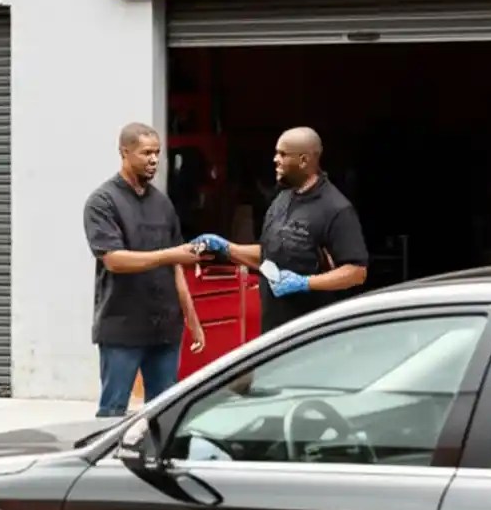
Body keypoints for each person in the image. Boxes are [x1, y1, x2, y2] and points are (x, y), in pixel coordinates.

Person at [83, 122, 208, 418]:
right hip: (122, 327)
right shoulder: (102, 202)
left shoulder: (162, 203)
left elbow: (177, 267)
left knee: (163, 413)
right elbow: (114, 260)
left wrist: (192, 319)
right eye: (146, 153)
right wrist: (169, 255)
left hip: (165, 328)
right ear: (124, 153)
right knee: (113, 412)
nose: (153, 160)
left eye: (157, 153)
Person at [196, 127, 368, 333]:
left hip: (313, 333)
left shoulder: (336, 209)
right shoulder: (282, 199)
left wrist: (305, 283)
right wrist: (228, 249)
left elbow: (357, 272)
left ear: (304, 160)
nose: (275, 159)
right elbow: (270, 254)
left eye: (283, 154)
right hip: (275, 332)